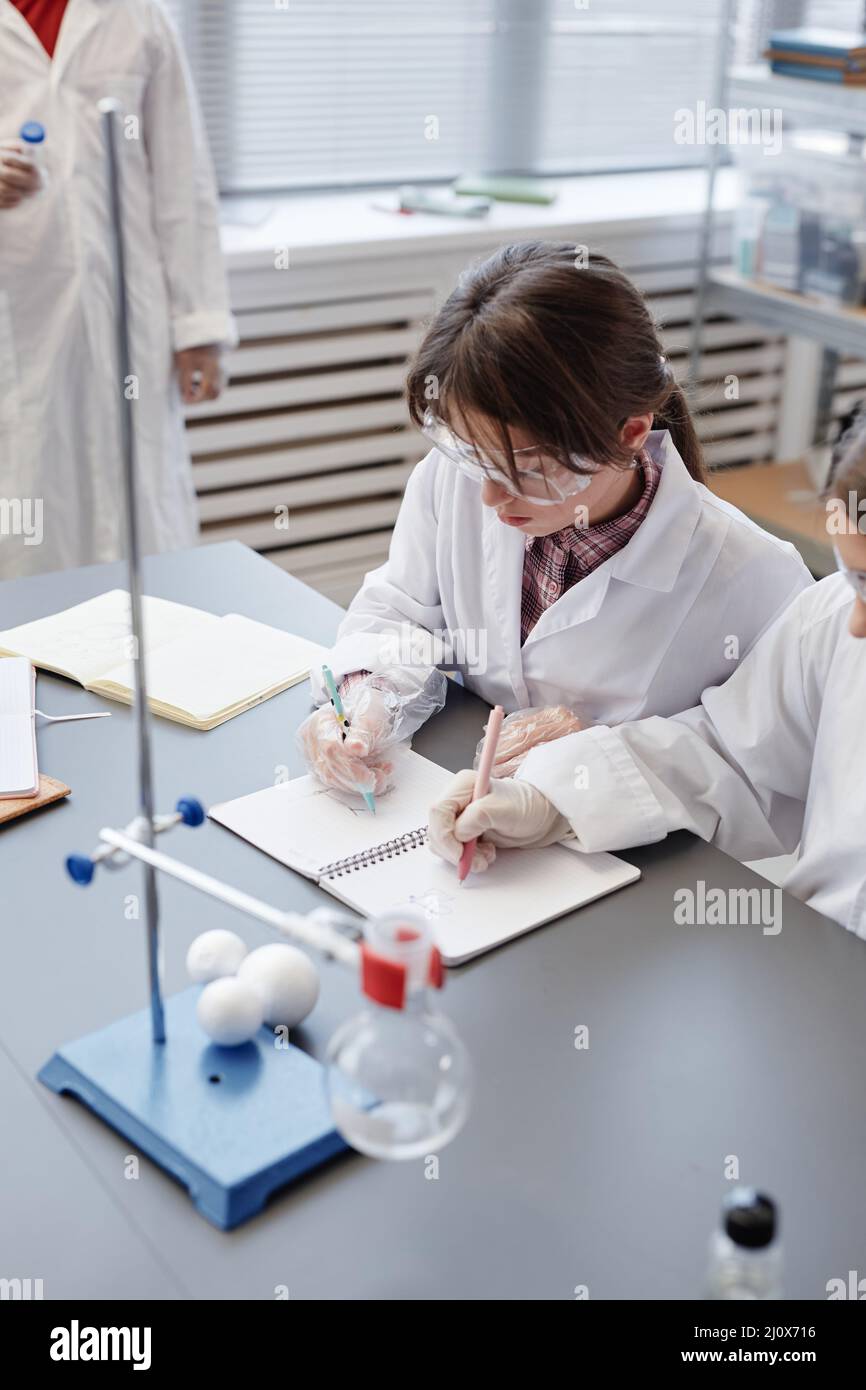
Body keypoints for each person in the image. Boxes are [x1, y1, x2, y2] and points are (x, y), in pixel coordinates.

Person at [301, 242, 810, 810]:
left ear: (630, 433)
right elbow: (401, 609)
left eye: (529, 470)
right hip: (452, 808)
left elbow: (770, 767)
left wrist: (604, 759)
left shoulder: (755, 576)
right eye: (475, 457)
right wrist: (371, 694)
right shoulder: (456, 479)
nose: (490, 496)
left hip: (625, 860)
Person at [429, 418, 866, 936]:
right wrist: (555, 797)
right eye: (854, 576)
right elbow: (732, 753)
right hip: (819, 965)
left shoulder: (753, 564)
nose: (856, 622)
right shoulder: (835, 618)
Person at [0, 0, 235, 579]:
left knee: (133, 498)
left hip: (127, 310)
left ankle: (141, 657)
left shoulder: (139, 15)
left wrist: (198, 328)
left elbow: (183, 177)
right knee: (26, 491)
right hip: (16, 312)